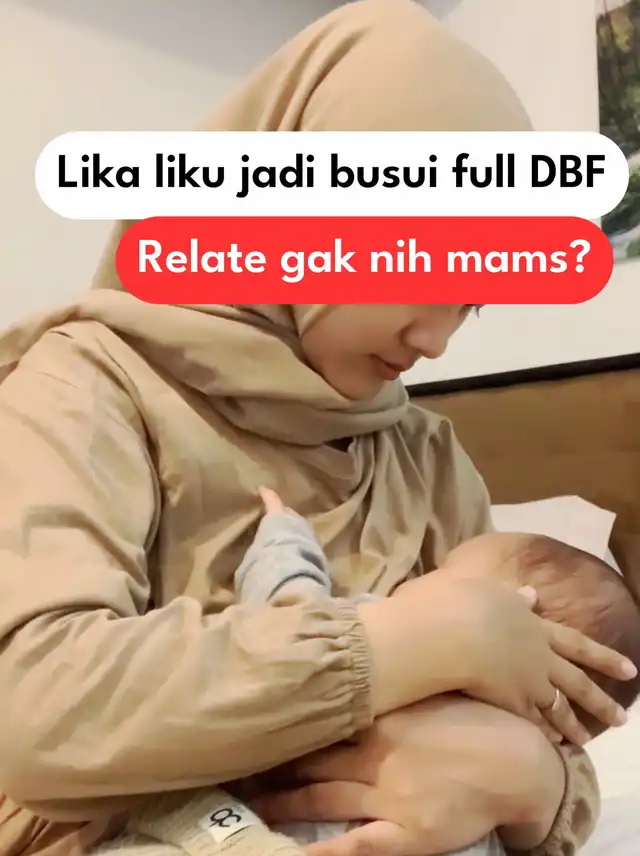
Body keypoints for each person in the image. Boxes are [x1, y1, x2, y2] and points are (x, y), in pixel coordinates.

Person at [0, 3, 635, 856]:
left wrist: (531, 782)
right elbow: (36, 712)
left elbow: (549, 704)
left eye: (471, 300)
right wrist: (396, 647)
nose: (437, 340)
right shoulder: (89, 385)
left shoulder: (424, 456)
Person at [92, 489, 640, 856]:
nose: (413, 580)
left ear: (507, 613)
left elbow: (290, 610)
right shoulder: (531, 724)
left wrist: (283, 540)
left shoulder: (392, 627)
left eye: (442, 571)